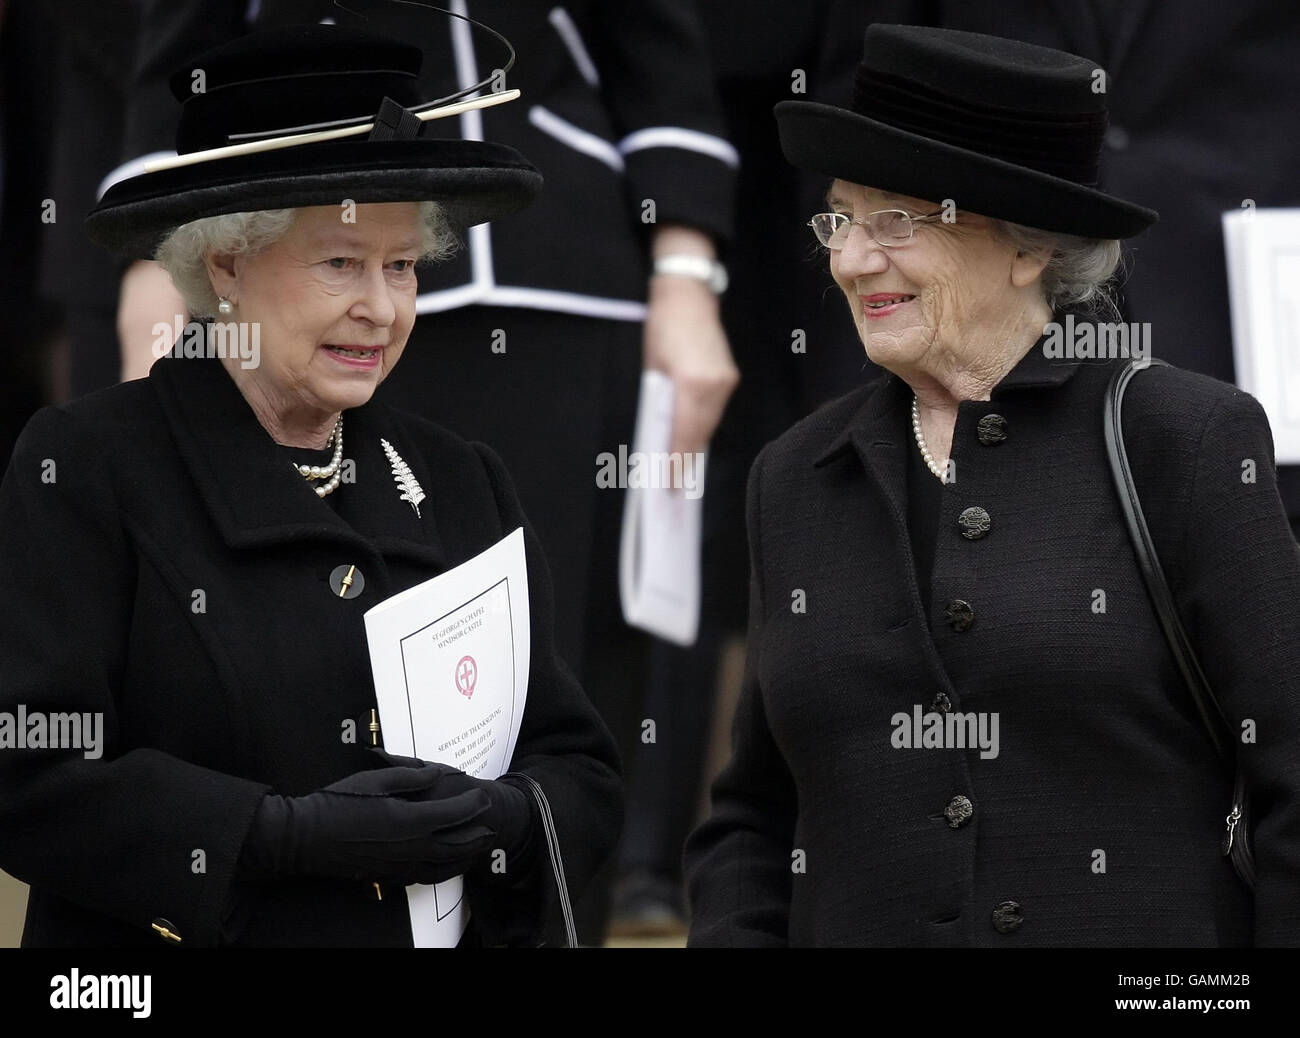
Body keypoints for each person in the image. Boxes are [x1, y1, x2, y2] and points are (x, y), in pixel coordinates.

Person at [0, 23, 621, 947]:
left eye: (403, 265)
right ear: (226, 265)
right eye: (340, 262)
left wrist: (505, 820)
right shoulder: (89, 466)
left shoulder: (462, 480)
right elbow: (33, 778)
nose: (382, 307)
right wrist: (275, 837)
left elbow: (580, 768)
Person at [684, 24, 1300, 946]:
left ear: (1027, 248)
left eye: (897, 220)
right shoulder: (798, 475)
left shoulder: (1186, 440)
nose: (851, 259)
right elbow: (753, 821)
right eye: (841, 218)